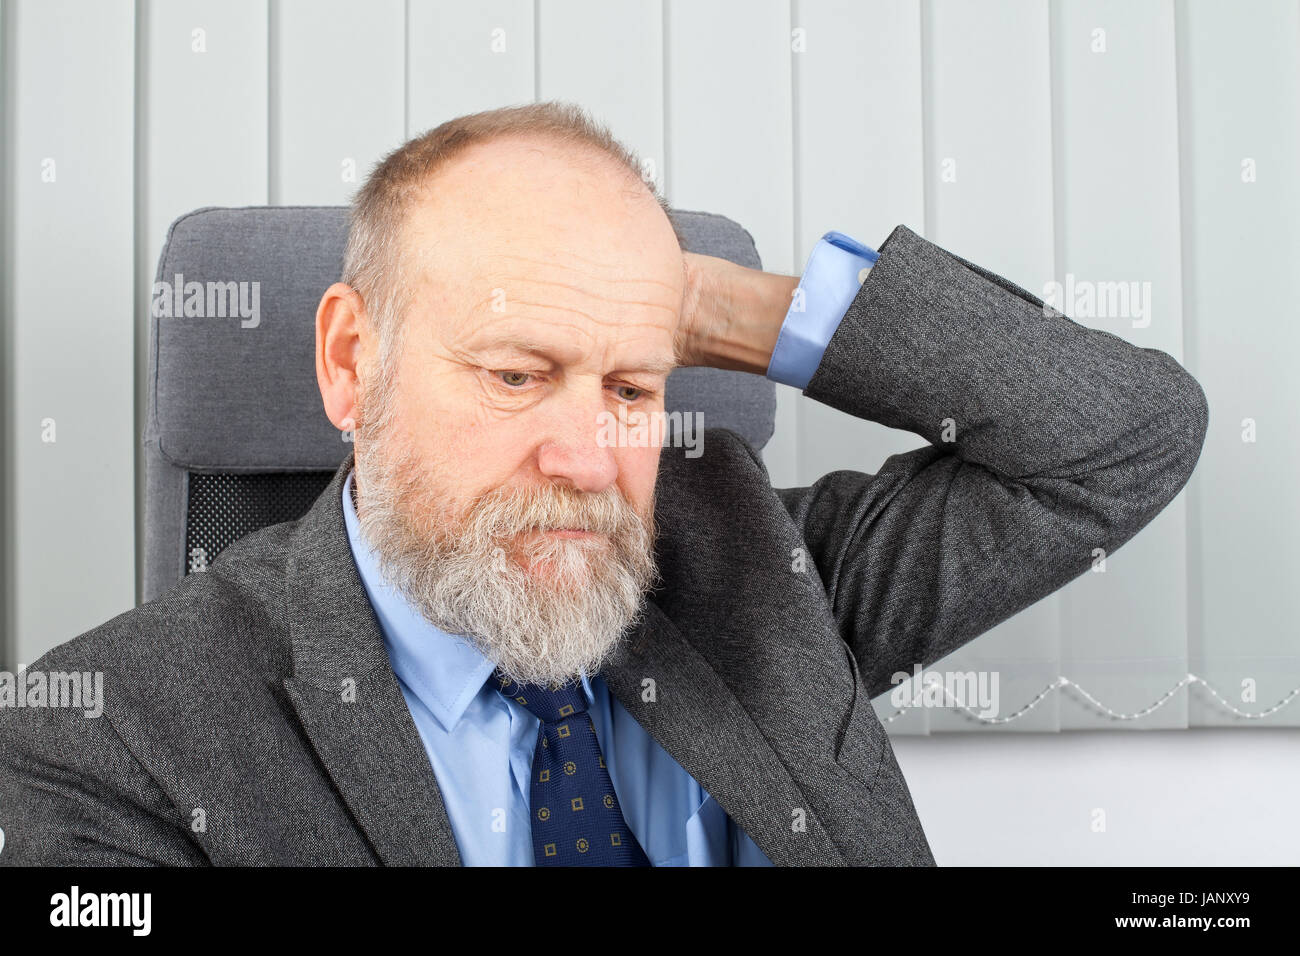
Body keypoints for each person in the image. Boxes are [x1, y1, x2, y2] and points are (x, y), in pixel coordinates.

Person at [0, 101, 1208, 866]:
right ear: (350, 361)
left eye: (630, 387)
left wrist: (711, 302)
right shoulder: (104, 740)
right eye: (518, 374)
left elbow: (1122, 440)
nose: (586, 461)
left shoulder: (755, 565)